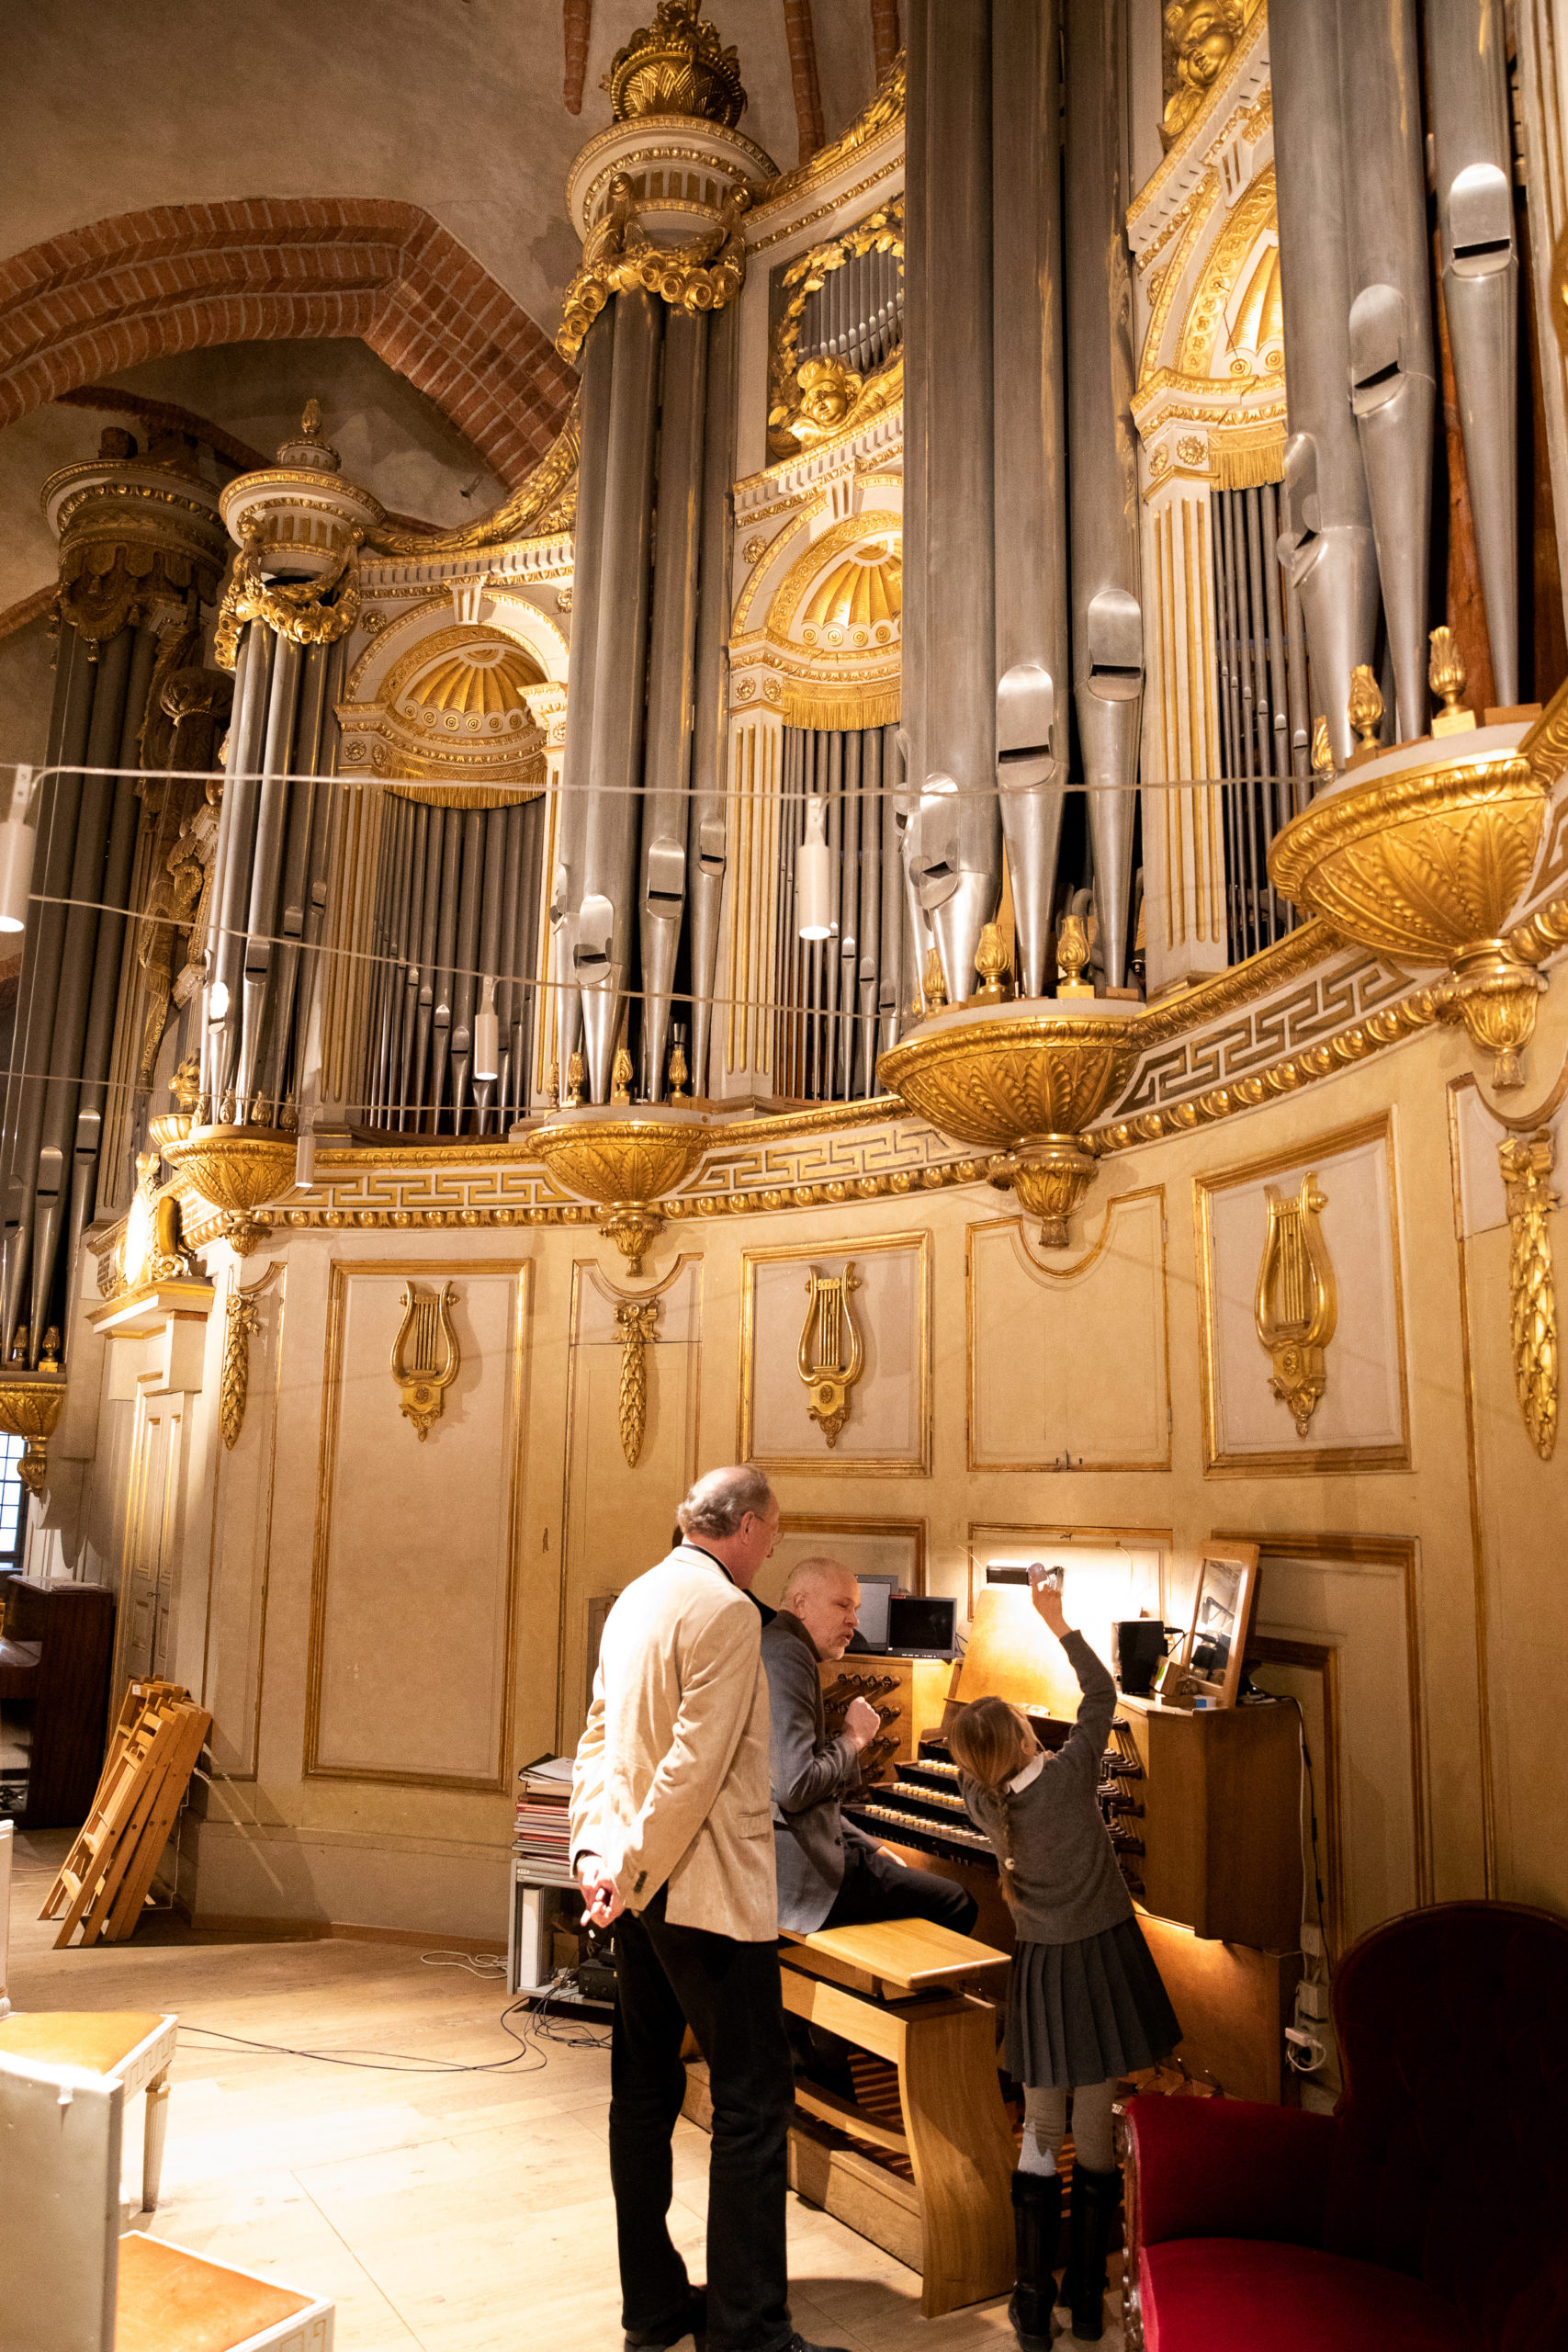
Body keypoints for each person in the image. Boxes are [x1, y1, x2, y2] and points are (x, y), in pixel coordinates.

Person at [570, 1465, 843, 2352]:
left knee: (642, 2095)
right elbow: (692, 1765)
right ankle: (748, 2331)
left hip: (638, 1892)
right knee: (753, 2107)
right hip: (706, 1897)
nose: (769, 1549)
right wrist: (635, 1866)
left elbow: (600, 1744)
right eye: (771, 1534)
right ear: (750, 1526)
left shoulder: (638, 1597)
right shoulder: (727, 1612)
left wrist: (596, 1859)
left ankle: (652, 2307)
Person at [947, 1566, 1181, 2349]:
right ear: (1024, 1734)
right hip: (1102, 1961)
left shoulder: (988, 1806)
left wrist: (983, 1746)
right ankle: (1085, 2299)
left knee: (1041, 2128)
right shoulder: (1074, 1773)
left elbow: (972, 1776)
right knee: (1093, 2114)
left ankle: (1027, 2301)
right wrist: (1057, 1620)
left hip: (1044, 1974)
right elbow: (1099, 1700)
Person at [761, 1555, 978, 1939]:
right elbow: (795, 1791)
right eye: (842, 1605)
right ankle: (914, 1992)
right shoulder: (789, 1655)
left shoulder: (776, 1644)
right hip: (801, 1879)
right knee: (956, 1902)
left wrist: (869, 1844)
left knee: (899, 1871)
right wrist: (855, 1739)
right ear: (801, 1605)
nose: (854, 1621)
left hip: (789, 1854)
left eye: (856, 1609)